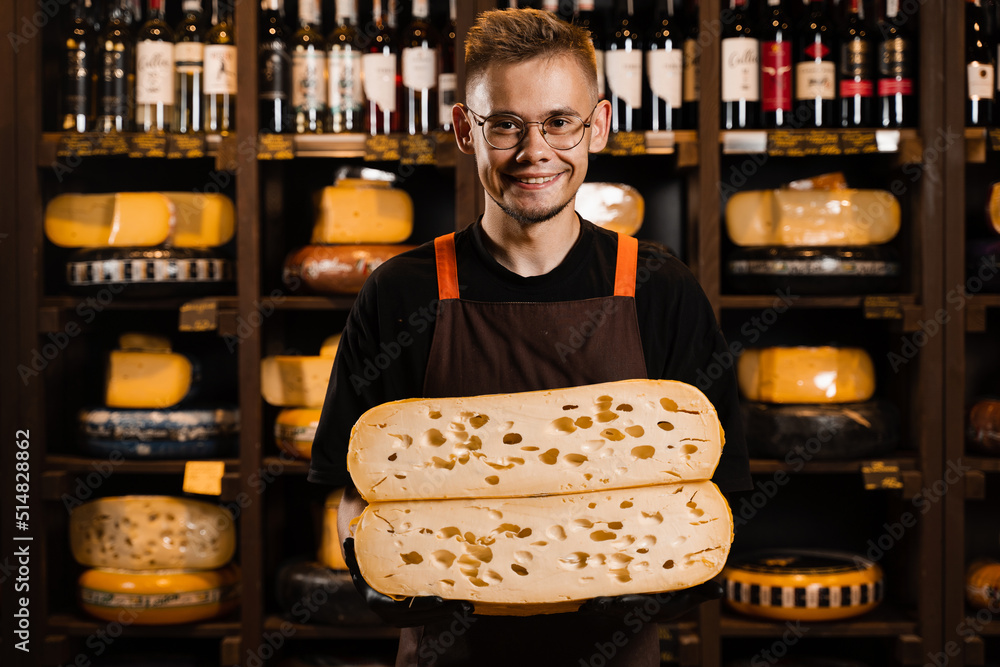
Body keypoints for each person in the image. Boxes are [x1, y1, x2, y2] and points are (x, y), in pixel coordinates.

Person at [309, 8, 752, 666]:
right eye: (506, 124)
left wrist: (655, 586)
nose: (534, 151)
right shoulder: (403, 291)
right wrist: (382, 578)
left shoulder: (661, 288)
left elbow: (721, 484)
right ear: (466, 130)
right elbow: (352, 484)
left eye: (559, 121)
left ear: (598, 125)